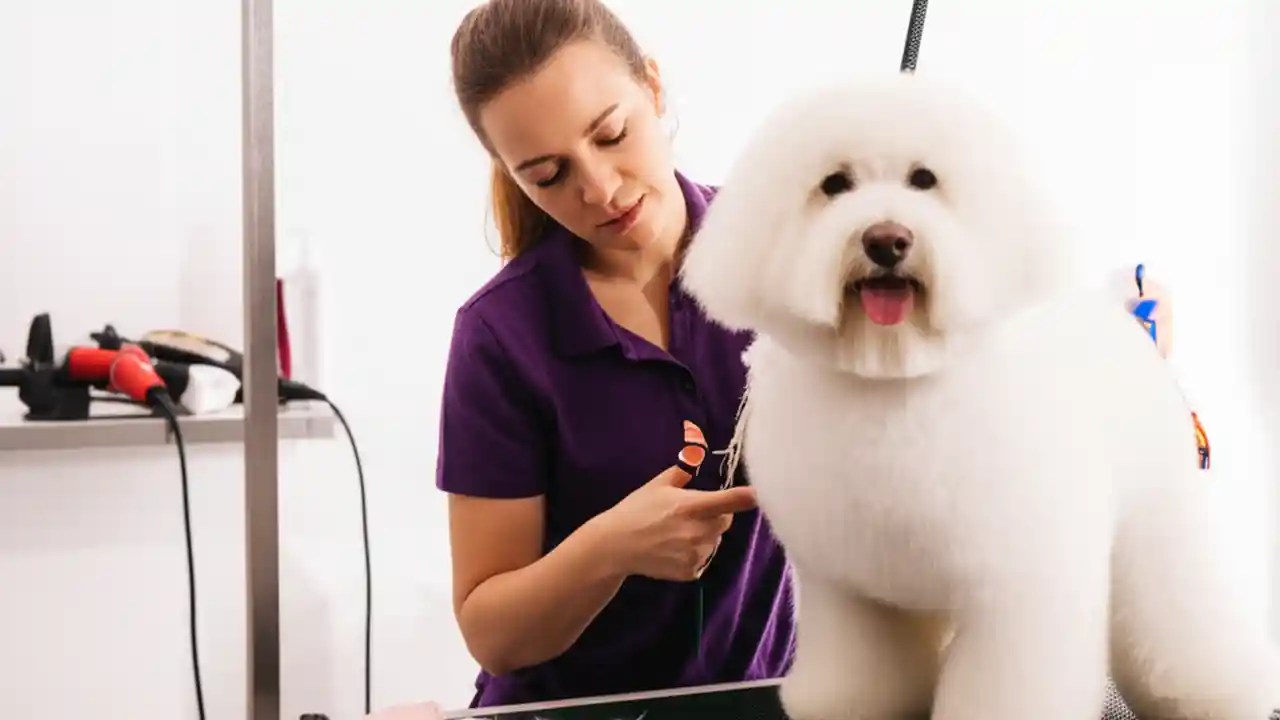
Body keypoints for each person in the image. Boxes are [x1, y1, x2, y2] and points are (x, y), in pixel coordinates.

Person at [435, 0, 1182, 710]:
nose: (599, 188)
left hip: (768, 698)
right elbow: (493, 633)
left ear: (653, 87)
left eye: (610, 134)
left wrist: (1119, 388)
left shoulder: (793, 249)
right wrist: (611, 548)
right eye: (548, 174)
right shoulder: (503, 337)